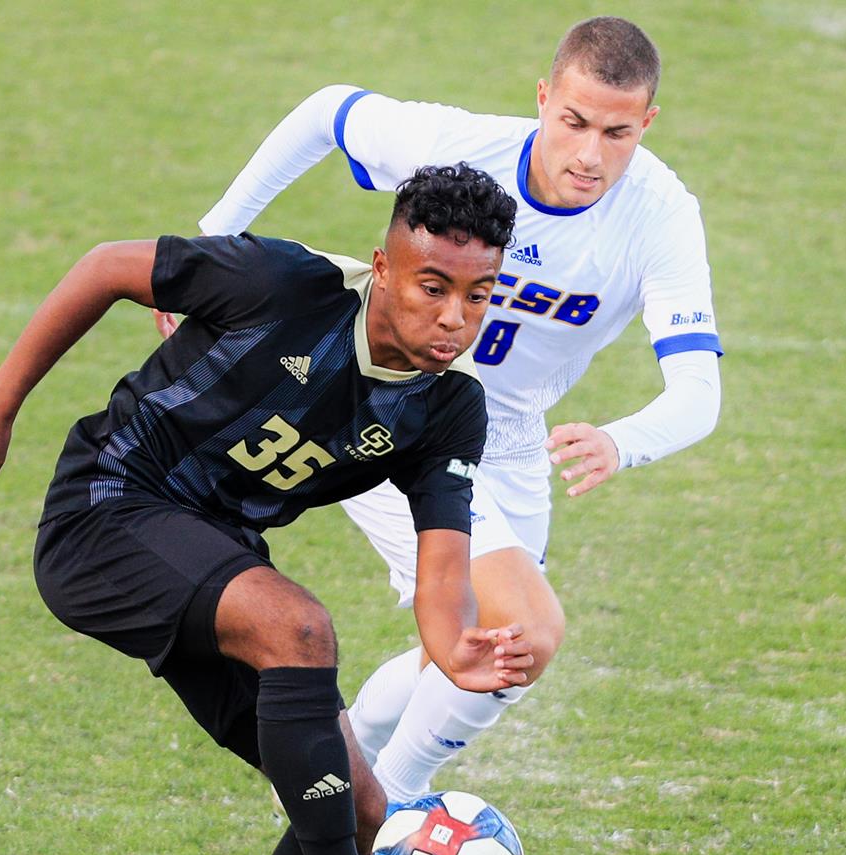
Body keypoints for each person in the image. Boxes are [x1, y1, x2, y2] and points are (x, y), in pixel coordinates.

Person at [0, 165, 533, 855]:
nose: (454, 317)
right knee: (301, 629)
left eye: (478, 296)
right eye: (432, 287)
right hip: (106, 508)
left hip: (215, 552)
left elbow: (444, 576)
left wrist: (457, 649)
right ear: (384, 266)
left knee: (353, 791)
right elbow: (104, 267)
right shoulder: (284, 284)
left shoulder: (449, 409)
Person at [178, 16, 723, 803]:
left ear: (648, 123)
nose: (588, 153)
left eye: (617, 132)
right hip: (386, 410)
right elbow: (330, 111)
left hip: (505, 443)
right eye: (572, 122)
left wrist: (619, 440)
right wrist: (214, 235)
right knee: (520, 636)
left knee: (472, 656)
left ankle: (339, 772)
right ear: (543, 98)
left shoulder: (659, 215)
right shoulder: (466, 151)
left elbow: (699, 393)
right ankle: (387, 816)